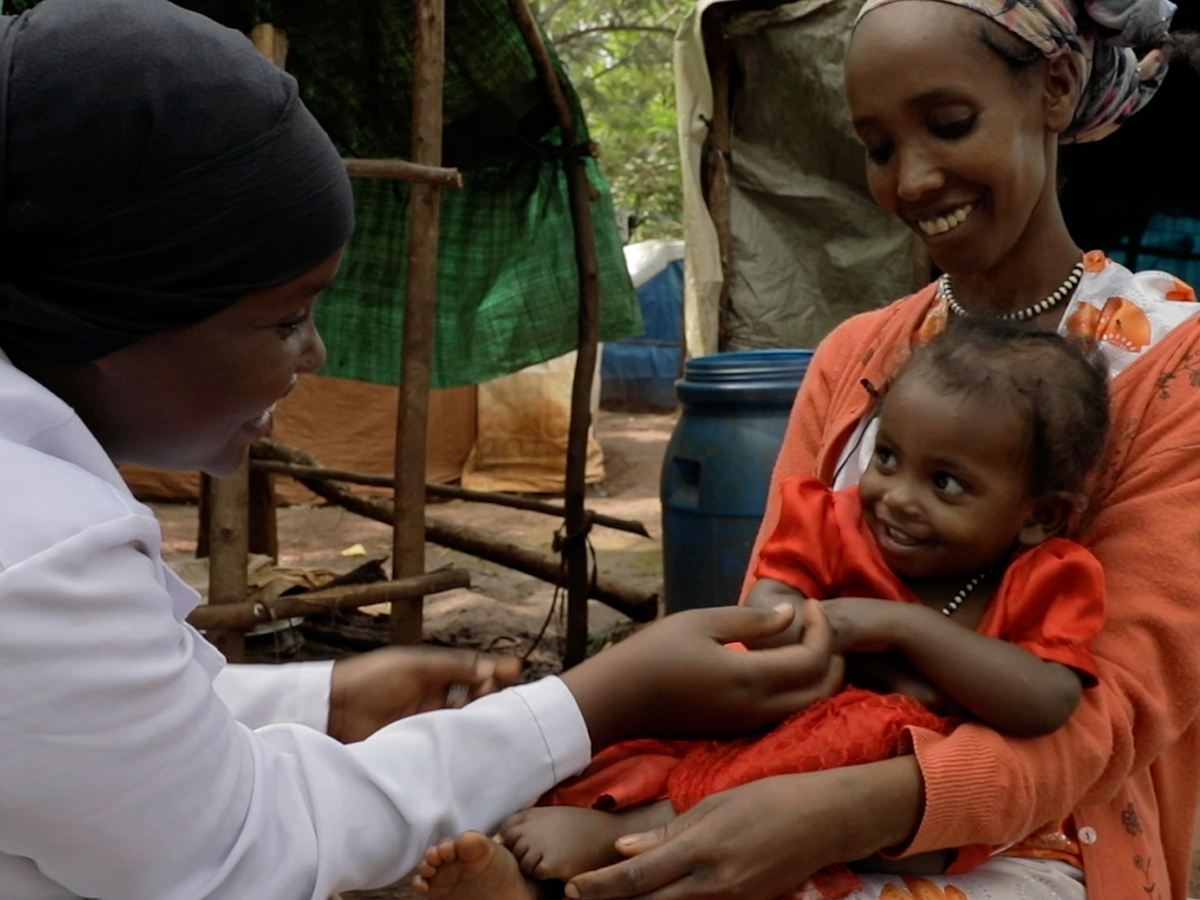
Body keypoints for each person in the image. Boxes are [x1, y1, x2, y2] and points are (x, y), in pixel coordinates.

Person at [0, 2, 848, 898]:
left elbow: (95, 735)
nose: (316, 353)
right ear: (113, 307)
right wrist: (594, 701)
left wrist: (325, 702)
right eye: (287, 318)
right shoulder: (39, 551)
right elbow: (240, 849)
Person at [533, 2, 1200, 900]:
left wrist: (848, 809)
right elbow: (767, 622)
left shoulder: (1169, 368)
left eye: (948, 124)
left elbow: (1104, 717)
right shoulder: (857, 358)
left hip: (1047, 842)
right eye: (877, 146)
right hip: (796, 773)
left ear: (1054, 87)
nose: (911, 179)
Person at [410, 317, 1111, 900]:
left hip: (900, 821)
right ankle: (537, 867)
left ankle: (637, 834)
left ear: (1038, 516)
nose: (897, 495)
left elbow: (1047, 701)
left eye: (947, 482)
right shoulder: (833, 523)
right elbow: (770, 609)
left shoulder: (1045, 579)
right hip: (764, 743)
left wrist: (899, 627)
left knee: (882, 723)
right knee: (650, 732)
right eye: (889, 457)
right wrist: (837, 644)